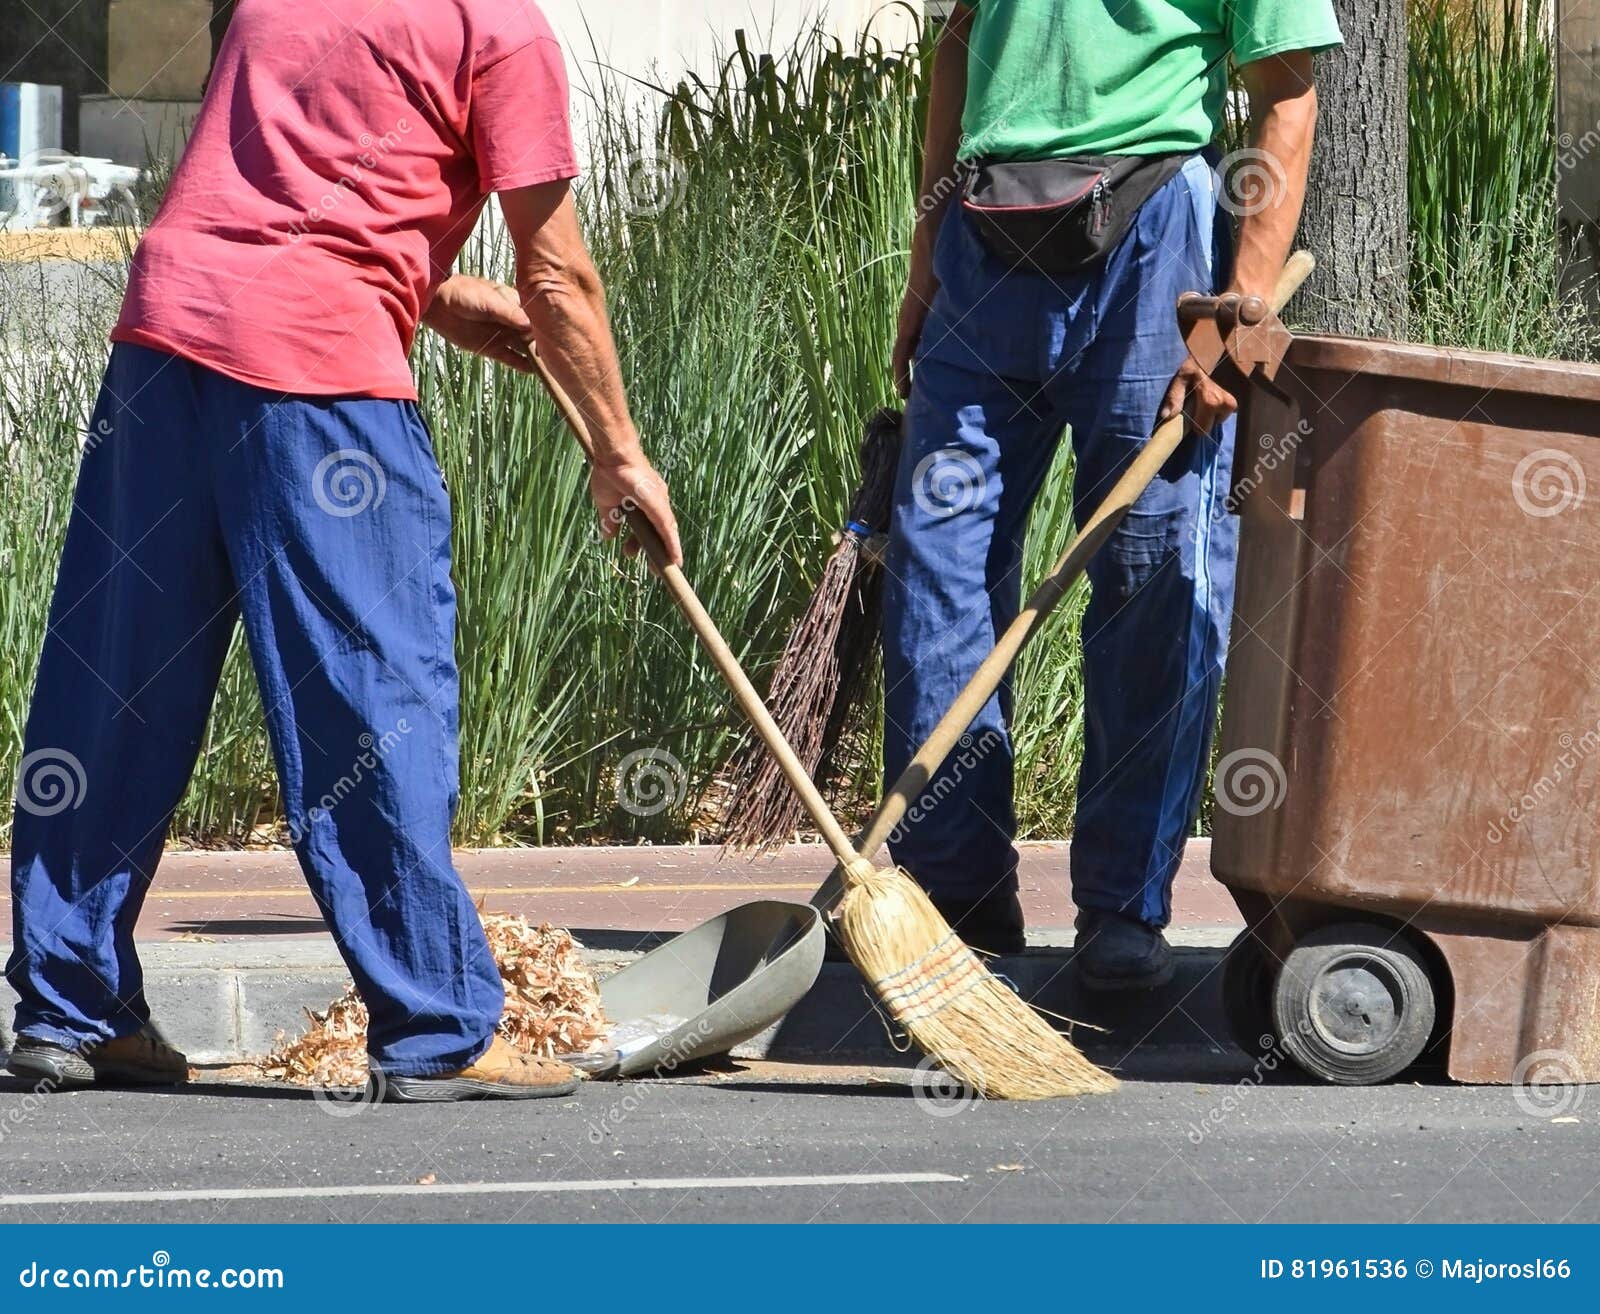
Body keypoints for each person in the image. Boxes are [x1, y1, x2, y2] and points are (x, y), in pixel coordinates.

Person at [4, 0, 681, 1100]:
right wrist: (619, 453)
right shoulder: (499, 29)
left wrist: (428, 291)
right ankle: (436, 1029)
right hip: (317, 381)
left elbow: (284, 198)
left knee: (118, 686)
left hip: (165, 342)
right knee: (372, 695)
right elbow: (558, 274)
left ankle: (69, 1012)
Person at [885, 0, 1340, 985]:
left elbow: (1286, 92)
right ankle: (952, 894)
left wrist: (1238, 310)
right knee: (936, 558)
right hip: (982, 235)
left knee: (1153, 569)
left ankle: (1121, 909)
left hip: (1152, 238)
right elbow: (958, 43)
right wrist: (925, 266)